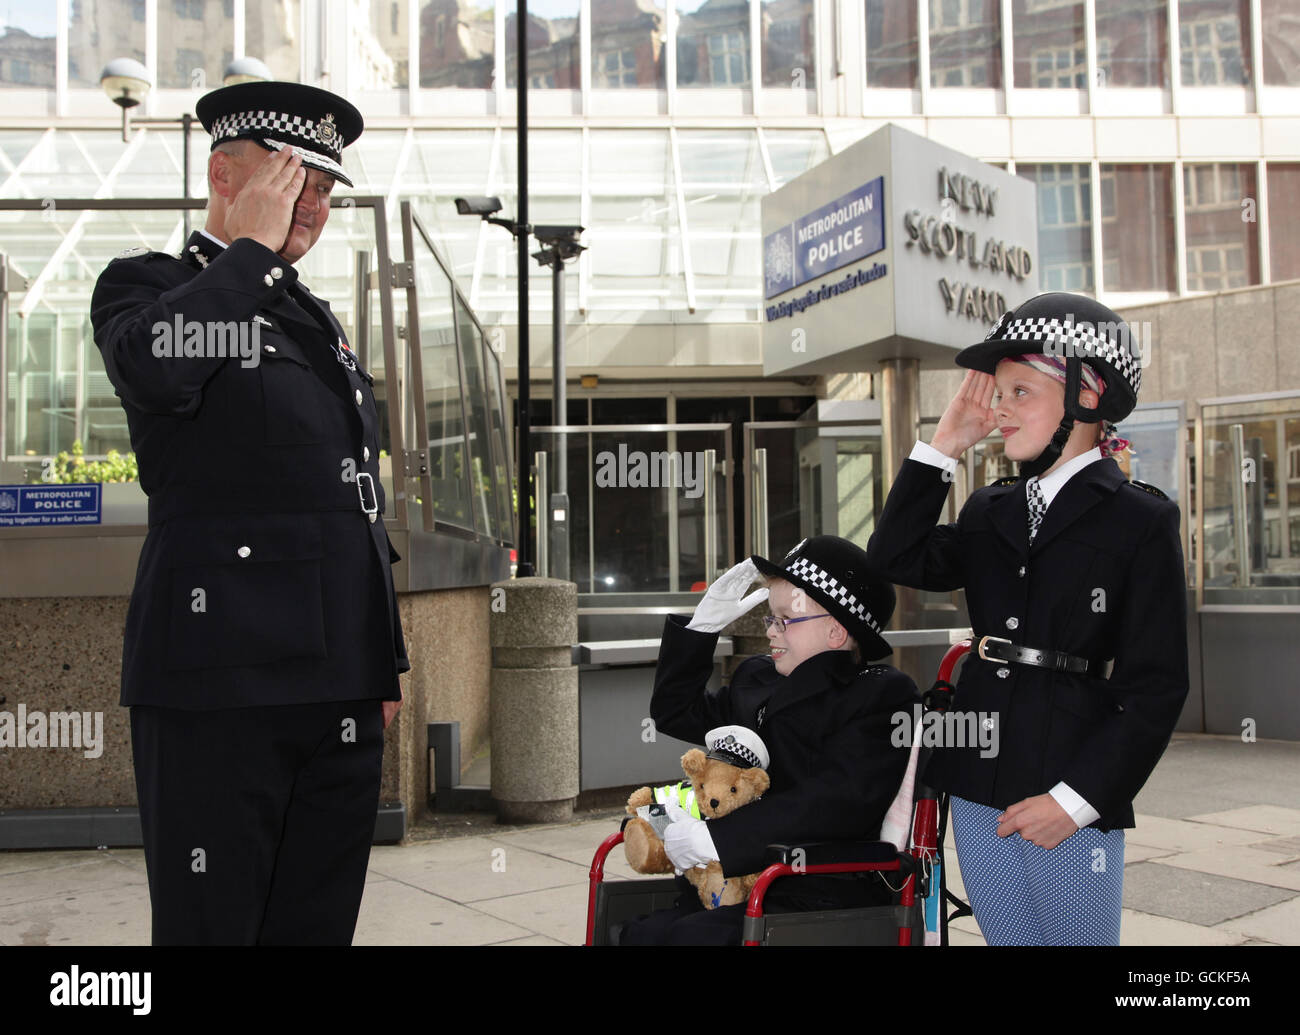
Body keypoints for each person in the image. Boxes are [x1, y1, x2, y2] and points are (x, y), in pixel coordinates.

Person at [90, 81, 407, 945]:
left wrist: (383, 661)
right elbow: (157, 368)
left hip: (338, 685)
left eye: (327, 191)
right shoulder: (146, 288)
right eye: (295, 181)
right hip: (220, 684)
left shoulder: (313, 319)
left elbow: (354, 505)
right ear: (225, 174)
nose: (315, 207)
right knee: (213, 927)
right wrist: (254, 254)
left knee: (314, 926)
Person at [866, 291, 1189, 946]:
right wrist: (945, 444)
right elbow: (895, 555)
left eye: (1020, 390)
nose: (1000, 407)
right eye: (999, 393)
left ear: (1088, 394)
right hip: (979, 772)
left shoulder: (1140, 519)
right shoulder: (991, 510)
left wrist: (1076, 801)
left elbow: (1155, 685)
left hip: (1071, 784)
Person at [619, 539, 918, 945]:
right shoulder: (758, 678)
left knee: (688, 938)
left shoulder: (879, 694)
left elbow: (838, 801)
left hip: (817, 889)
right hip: (737, 882)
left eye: (784, 619)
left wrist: (719, 840)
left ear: (835, 630)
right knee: (637, 932)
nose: (771, 631)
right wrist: (701, 629)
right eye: (769, 619)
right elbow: (676, 711)